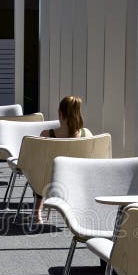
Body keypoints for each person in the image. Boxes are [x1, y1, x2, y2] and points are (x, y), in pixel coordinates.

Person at [33, 95, 92, 223]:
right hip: (79, 182)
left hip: (50, 183)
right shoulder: (87, 134)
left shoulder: (46, 134)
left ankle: (37, 213)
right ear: (78, 113)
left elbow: (38, 160)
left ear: (60, 112)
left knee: (41, 172)